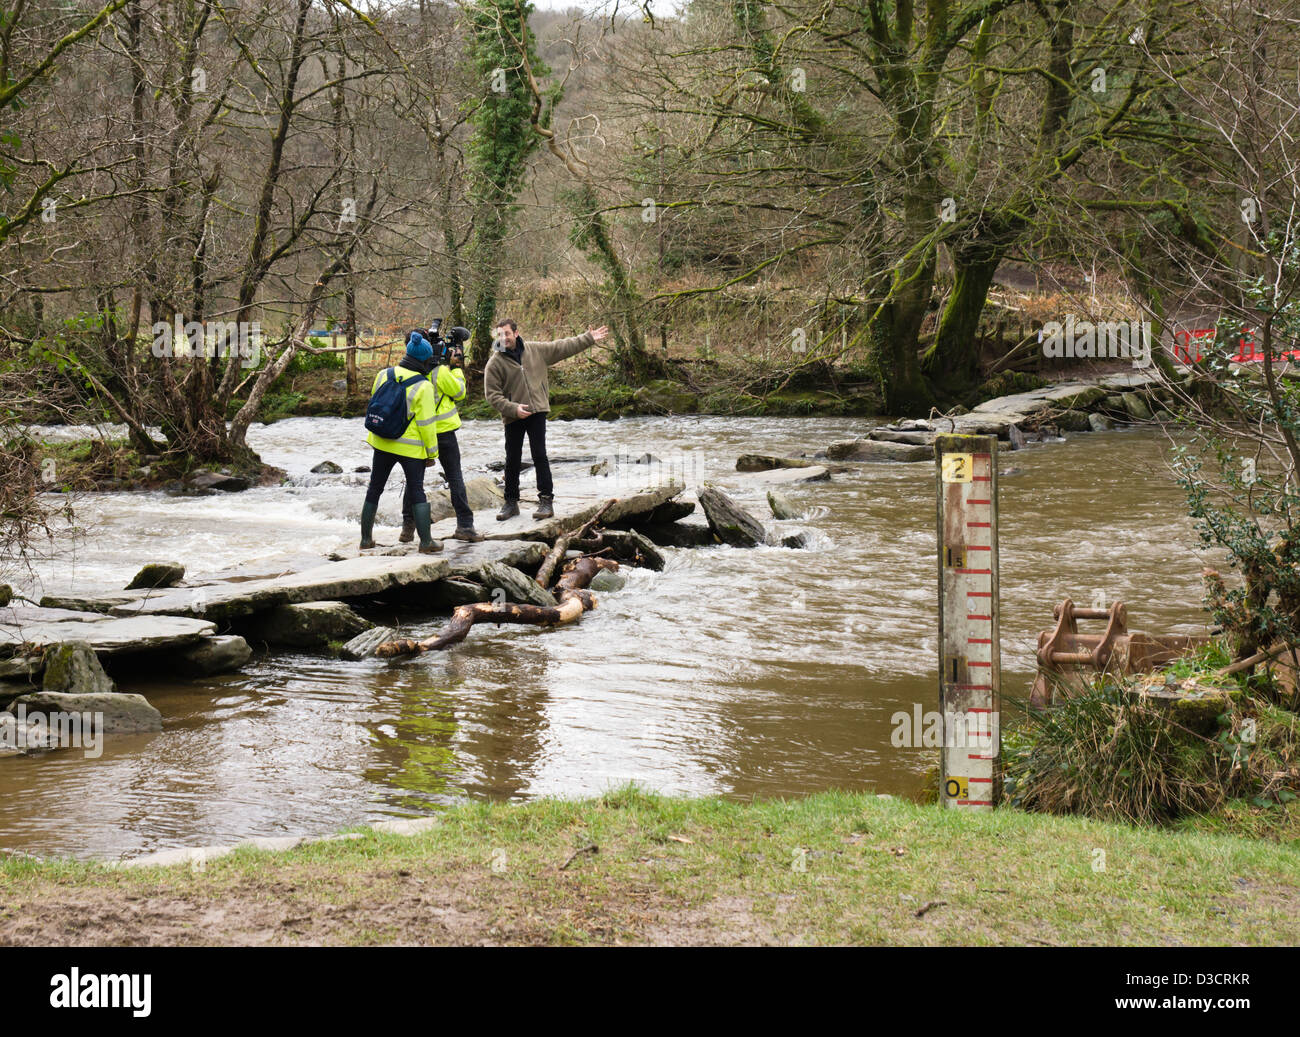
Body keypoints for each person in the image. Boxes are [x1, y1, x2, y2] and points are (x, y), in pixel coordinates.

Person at [484, 318, 609, 520]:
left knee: (539, 455)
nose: (503, 338)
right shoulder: (495, 362)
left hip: (537, 411)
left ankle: (545, 501)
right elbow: (492, 395)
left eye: (506, 333)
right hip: (513, 415)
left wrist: (588, 338)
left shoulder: (535, 350)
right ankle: (510, 503)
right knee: (512, 459)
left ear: (515, 333)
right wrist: (513, 408)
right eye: (499, 334)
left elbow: (562, 347)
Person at [359, 331, 441, 553]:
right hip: (411, 448)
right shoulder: (423, 386)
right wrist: (432, 454)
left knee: (374, 488)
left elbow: (375, 404)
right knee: (417, 491)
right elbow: (426, 424)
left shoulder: (383, 374)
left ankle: (366, 540)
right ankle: (426, 543)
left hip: (382, 442)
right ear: (424, 359)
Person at [400, 331, 483, 543]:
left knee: (414, 481)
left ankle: (408, 528)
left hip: (418, 431)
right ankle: (465, 525)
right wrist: (455, 368)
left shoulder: (406, 371)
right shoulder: (439, 372)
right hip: (444, 431)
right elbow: (459, 392)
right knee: (454, 476)